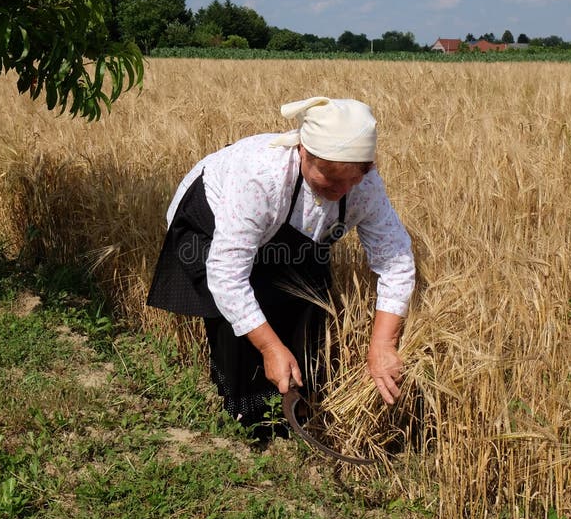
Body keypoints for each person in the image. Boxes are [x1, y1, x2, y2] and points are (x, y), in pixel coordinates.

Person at [147, 96, 415, 427]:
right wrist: (270, 348)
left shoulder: (366, 187)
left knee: (307, 294)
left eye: (354, 179)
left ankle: (296, 407)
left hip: (278, 228)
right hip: (210, 216)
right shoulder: (263, 177)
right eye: (330, 179)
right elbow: (227, 274)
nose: (342, 191)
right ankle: (246, 414)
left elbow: (396, 261)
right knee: (235, 320)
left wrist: (382, 345)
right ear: (303, 151)